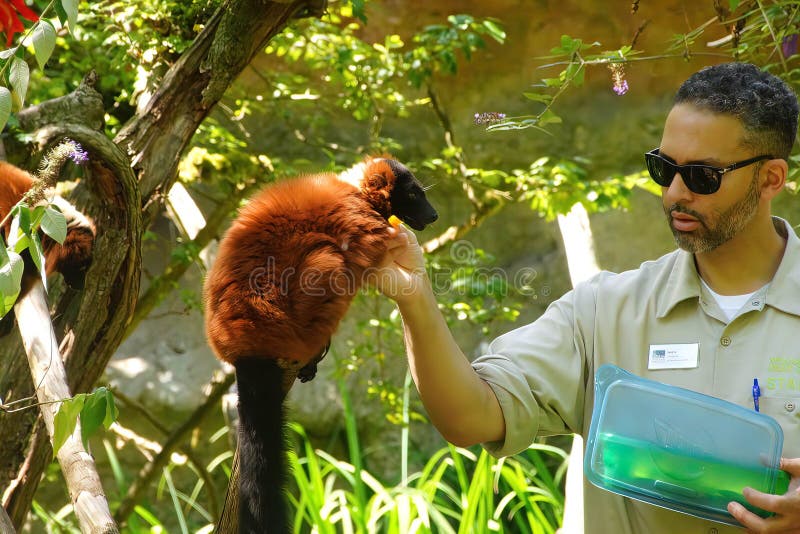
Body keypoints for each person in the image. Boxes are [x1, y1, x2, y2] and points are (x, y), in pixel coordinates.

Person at [376, 62, 800, 533]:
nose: (675, 194)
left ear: (770, 179)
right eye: (663, 168)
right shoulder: (604, 311)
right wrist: (414, 299)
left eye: (702, 176)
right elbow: (468, 417)